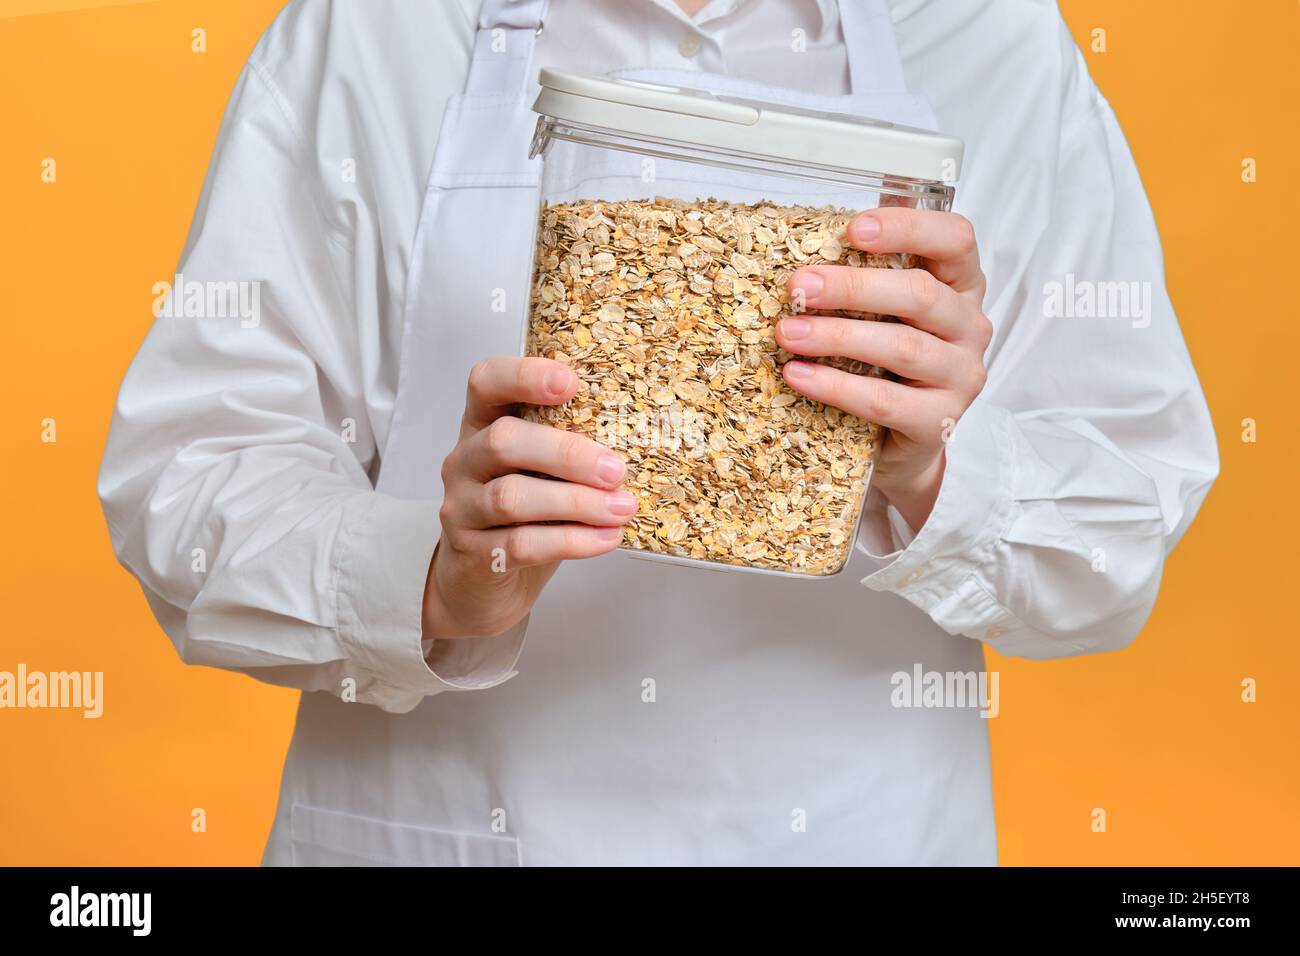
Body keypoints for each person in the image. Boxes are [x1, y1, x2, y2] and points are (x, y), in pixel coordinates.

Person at [97, 0, 1218, 865]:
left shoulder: (984, 36)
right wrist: (434, 584)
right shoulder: (381, 28)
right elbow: (188, 467)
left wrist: (933, 472)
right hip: (442, 830)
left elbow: (1122, 520)